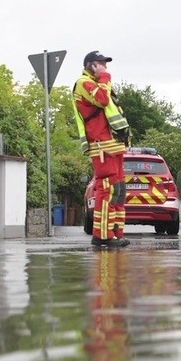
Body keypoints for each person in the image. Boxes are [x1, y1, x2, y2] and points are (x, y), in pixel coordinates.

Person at [74, 51, 132, 248]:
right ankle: (102, 235)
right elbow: (102, 100)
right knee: (107, 189)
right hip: (102, 145)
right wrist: (104, 78)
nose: (104, 67)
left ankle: (116, 233)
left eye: (105, 64)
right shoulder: (84, 83)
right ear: (90, 65)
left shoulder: (100, 82)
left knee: (119, 190)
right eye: (100, 63)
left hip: (114, 144)